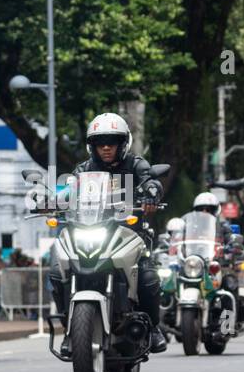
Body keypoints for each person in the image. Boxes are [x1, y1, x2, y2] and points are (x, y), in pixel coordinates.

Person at [48, 112, 168, 354]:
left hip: (128, 233)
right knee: (56, 269)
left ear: (122, 144)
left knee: (148, 277)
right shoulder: (83, 169)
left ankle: (153, 328)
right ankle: (70, 329)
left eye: (111, 142)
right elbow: (67, 190)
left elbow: (149, 181)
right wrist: (54, 200)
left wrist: (152, 192)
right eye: (100, 142)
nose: (105, 147)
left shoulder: (136, 164)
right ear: (92, 146)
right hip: (89, 230)